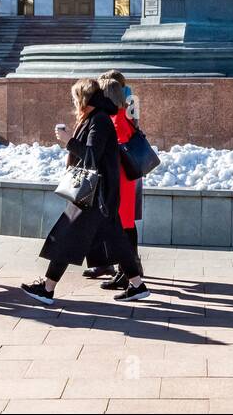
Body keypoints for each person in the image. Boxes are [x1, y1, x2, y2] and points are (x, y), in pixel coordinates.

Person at [21, 78, 149, 305]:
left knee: (66, 236)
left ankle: (47, 289)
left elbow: (92, 156)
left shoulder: (99, 120)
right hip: (101, 194)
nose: (73, 102)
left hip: (94, 195)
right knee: (117, 240)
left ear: (84, 98)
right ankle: (138, 285)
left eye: (75, 97)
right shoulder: (96, 117)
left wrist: (69, 140)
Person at [81, 74, 144, 290]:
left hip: (120, 179)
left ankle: (128, 273)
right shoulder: (120, 114)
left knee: (123, 225)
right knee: (124, 225)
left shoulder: (115, 118)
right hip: (123, 178)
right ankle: (125, 271)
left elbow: (117, 145)